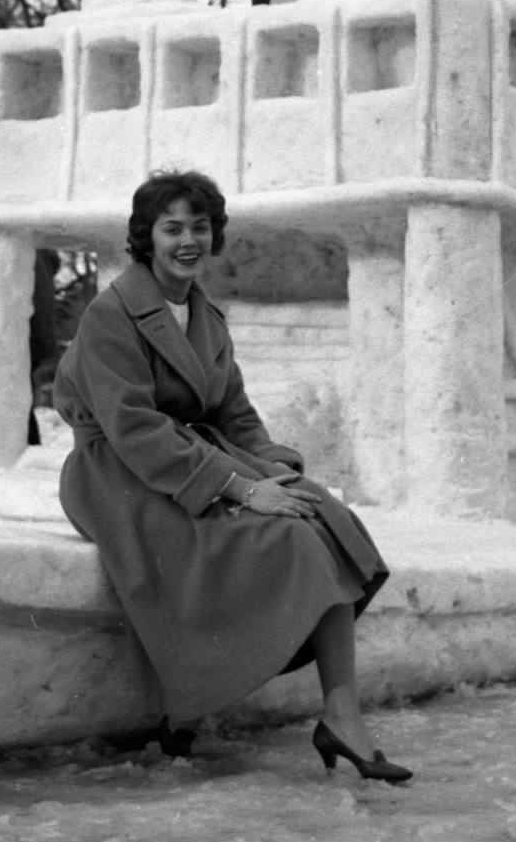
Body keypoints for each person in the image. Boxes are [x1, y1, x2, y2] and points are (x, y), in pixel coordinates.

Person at [54, 169, 411, 783]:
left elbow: (234, 414)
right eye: (172, 229)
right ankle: (187, 708)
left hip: (188, 459)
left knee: (322, 520)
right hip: (117, 472)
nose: (188, 241)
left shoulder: (205, 316)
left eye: (199, 227)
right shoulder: (111, 314)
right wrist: (243, 489)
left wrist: (277, 471)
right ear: (146, 238)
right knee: (285, 540)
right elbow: (134, 429)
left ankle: (341, 716)